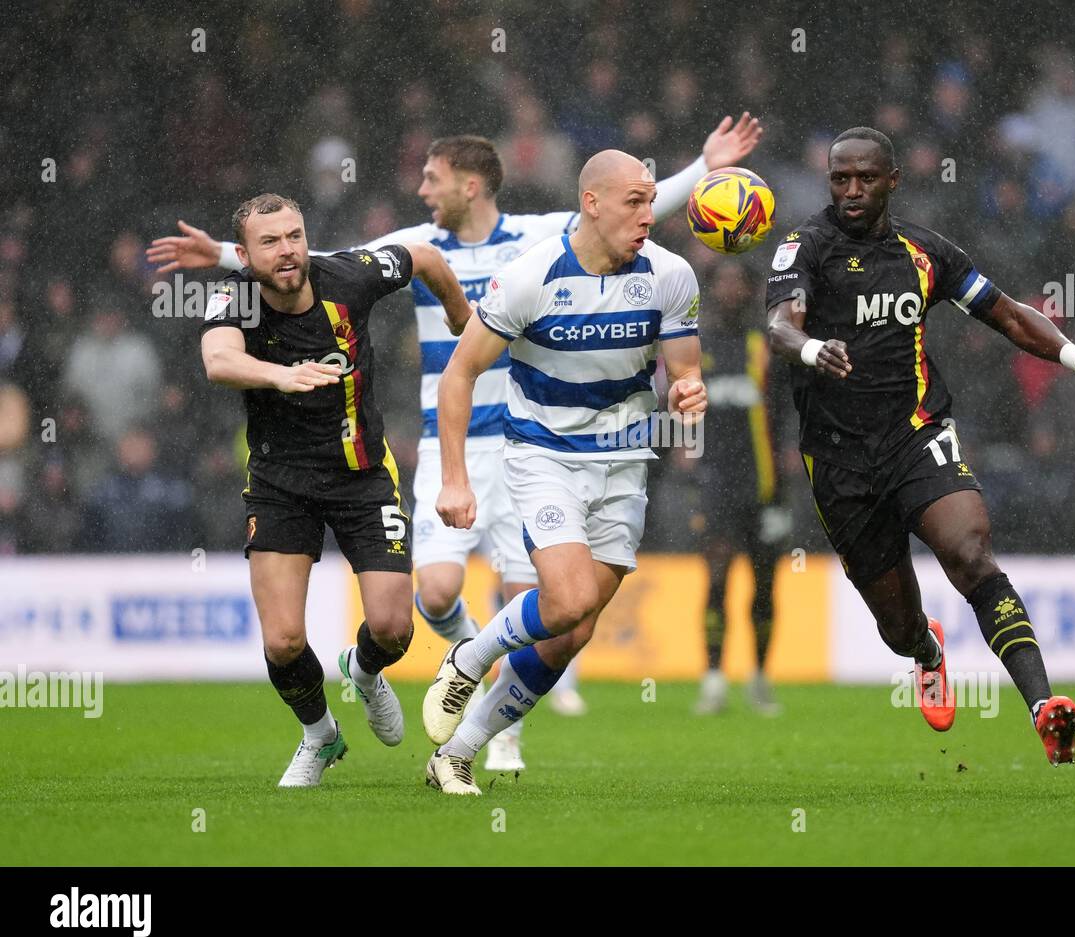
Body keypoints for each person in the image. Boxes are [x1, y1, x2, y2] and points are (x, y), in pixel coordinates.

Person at [149, 115, 762, 772]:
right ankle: (445, 671)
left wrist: (704, 169)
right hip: (458, 435)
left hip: (531, 433)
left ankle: (500, 732)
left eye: (431, 177)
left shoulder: (536, 238)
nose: (420, 189)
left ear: (470, 186)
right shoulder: (409, 242)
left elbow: (625, 207)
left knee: (548, 598)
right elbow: (314, 266)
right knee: (439, 591)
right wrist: (221, 254)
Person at [765, 128, 1075, 766]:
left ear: (892, 181)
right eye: (839, 179)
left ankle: (1044, 709)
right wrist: (808, 348)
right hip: (837, 458)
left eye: (864, 178)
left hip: (917, 432)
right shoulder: (804, 248)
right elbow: (778, 323)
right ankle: (927, 653)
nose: (851, 190)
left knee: (970, 556)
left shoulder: (925, 251)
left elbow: (1008, 313)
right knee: (898, 626)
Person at [424, 150, 707, 795]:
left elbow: (685, 370)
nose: (647, 214)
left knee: (571, 634)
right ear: (592, 203)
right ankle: (468, 659)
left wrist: (689, 390)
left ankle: (458, 753)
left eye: (650, 199)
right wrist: (455, 478)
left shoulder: (671, 276)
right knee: (568, 599)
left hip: (625, 464)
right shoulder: (529, 277)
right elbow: (459, 374)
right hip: (543, 455)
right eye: (633, 201)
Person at [200, 192, 472, 787]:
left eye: (294, 235)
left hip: (363, 477)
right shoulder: (234, 298)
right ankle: (320, 735)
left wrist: (461, 319)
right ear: (244, 256)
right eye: (269, 242)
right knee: (283, 640)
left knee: (392, 627)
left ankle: (366, 671)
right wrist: (281, 375)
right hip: (279, 484)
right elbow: (218, 360)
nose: (287, 250)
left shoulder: (350, 274)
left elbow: (423, 256)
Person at [690, 260, 789, 716]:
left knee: (766, 586)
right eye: (723, 281)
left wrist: (791, 469)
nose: (731, 289)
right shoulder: (696, 349)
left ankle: (761, 677)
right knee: (715, 580)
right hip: (715, 486)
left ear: (750, 291)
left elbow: (788, 415)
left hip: (765, 488)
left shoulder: (766, 348)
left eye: (739, 281)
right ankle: (713, 678)